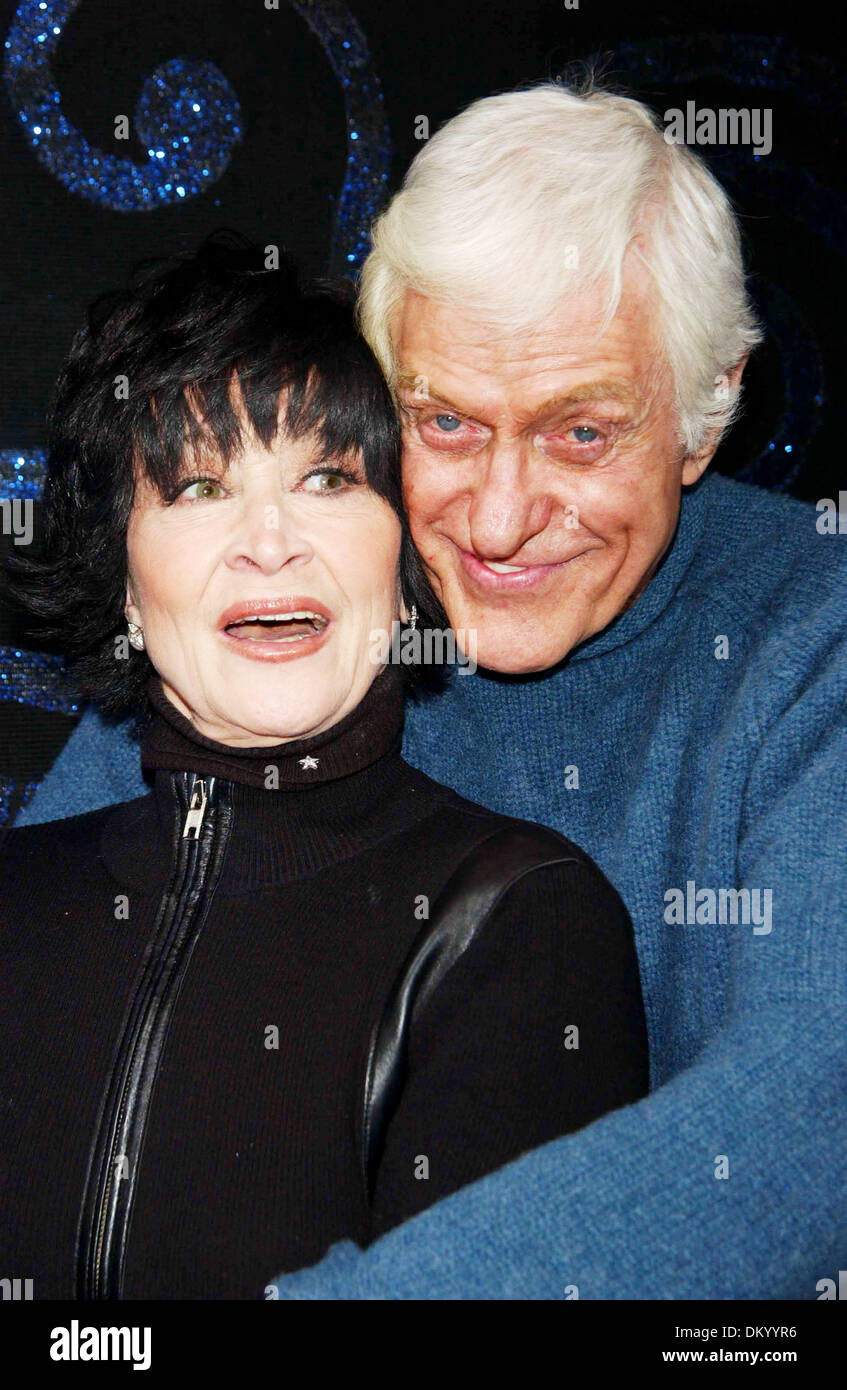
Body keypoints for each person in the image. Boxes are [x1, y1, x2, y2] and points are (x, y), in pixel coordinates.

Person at [16, 82, 847, 1300]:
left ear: (702, 417)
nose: (501, 521)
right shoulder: (305, 619)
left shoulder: (810, 633)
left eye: (581, 434)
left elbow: (809, 1114)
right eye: (447, 423)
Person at [0, 237, 648, 1300]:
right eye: (200, 485)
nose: (269, 541)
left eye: (327, 477)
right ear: (123, 579)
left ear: (405, 567)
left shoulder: (521, 920)